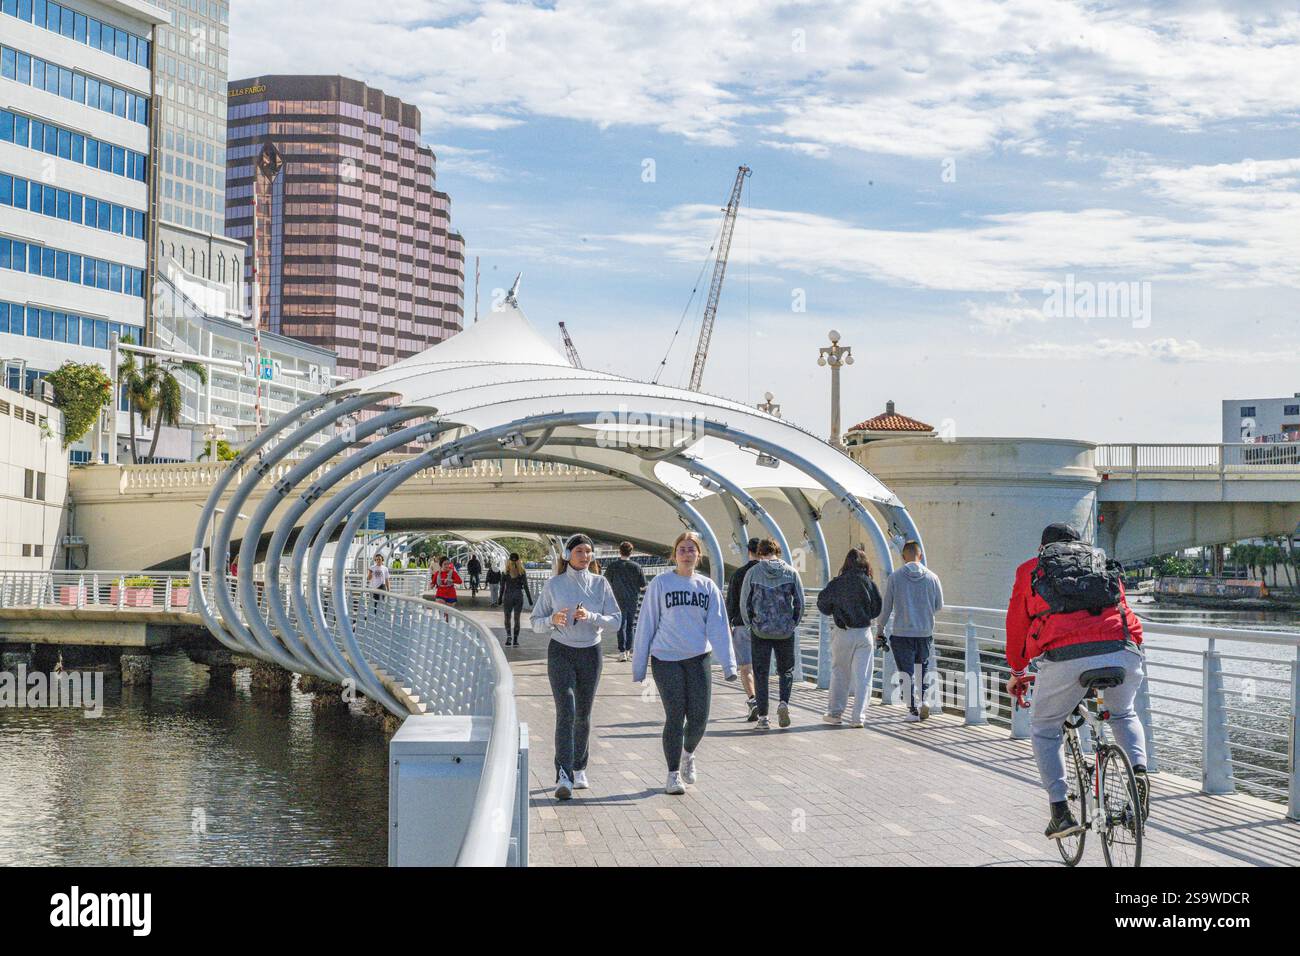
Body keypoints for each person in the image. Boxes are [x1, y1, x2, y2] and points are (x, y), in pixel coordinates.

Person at [1006, 523, 1148, 840]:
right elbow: (1122, 609)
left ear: (1043, 549)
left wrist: (1017, 672)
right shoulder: (1099, 562)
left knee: (1044, 727)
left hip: (1066, 658)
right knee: (1123, 713)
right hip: (1123, 650)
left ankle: (1060, 812)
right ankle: (1138, 772)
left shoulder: (1032, 569)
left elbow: (1017, 626)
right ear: (1080, 544)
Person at [633, 531, 737, 794]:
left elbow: (719, 627)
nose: (687, 553)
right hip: (666, 658)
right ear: (674, 554)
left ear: (698, 555)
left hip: (698, 657)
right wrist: (639, 665)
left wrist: (729, 664)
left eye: (691, 549)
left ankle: (688, 753)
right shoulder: (661, 584)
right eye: (682, 549)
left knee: (700, 718)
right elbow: (647, 623)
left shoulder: (707, 587)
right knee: (675, 715)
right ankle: (672, 774)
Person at [531, 533, 622, 800]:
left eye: (588, 551)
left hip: (590, 653)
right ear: (568, 555)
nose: (585, 555)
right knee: (566, 711)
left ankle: (580, 767)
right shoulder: (554, 585)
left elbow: (616, 621)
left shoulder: (600, 584)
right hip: (560, 651)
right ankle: (563, 774)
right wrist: (552, 619)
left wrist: (591, 617)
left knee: (583, 713)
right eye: (579, 551)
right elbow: (535, 622)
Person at [739, 538, 804, 731]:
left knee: (760, 674)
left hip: (761, 631)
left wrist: (751, 624)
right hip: (785, 631)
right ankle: (783, 703)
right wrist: (792, 623)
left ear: (760, 553)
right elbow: (800, 602)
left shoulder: (752, 573)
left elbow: (745, 603)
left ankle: (764, 718)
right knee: (786, 671)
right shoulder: (791, 572)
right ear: (778, 551)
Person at [817, 547, 883, 728]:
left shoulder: (838, 583)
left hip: (843, 632)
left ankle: (835, 713)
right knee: (863, 677)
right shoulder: (869, 583)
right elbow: (877, 608)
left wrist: (834, 610)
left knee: (840, 673)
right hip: (864, 633)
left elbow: (822, 603)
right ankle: (858, 717)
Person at [878, 540, 943, 722]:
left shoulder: (895, 577)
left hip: (901, 633)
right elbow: (939, 605)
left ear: (903, 556)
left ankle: (913, 711)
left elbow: (887, 607)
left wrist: (880, 628)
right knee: (922, 668)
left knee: (906, 673)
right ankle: (923, 701)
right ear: (920, 556)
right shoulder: (933, 577)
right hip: (924, 632)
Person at [725, 537, 762, 720]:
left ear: (748, 551)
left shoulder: (739, 574)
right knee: (761, 668)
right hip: (764, 627)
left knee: (746, 667)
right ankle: (764, 703)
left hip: (741, 625)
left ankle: (753, 699)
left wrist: (729, 622)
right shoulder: (767, 573)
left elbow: (731, 602)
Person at [603, 541, 647, 662]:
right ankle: (628, 651)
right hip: (633, 599)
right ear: (631, 552)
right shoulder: (637, 567)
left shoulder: (613, 566)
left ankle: (622, 652)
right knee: (631, 625)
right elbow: (643, 586)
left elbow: (606, 583)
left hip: (617, 600)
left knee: (620, 625)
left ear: (619, 551)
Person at [501, 553, 532, 646]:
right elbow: (526, 586)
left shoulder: (505, 572)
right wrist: (530, 599)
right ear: (519, 561)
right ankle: (515, 640)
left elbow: (502, 587)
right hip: (518, 596)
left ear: (509, 560)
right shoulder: (522, 572)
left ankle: (508, 637)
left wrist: (499, 599)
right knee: (517, 618)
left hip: (508, 596)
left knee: (507, 618)